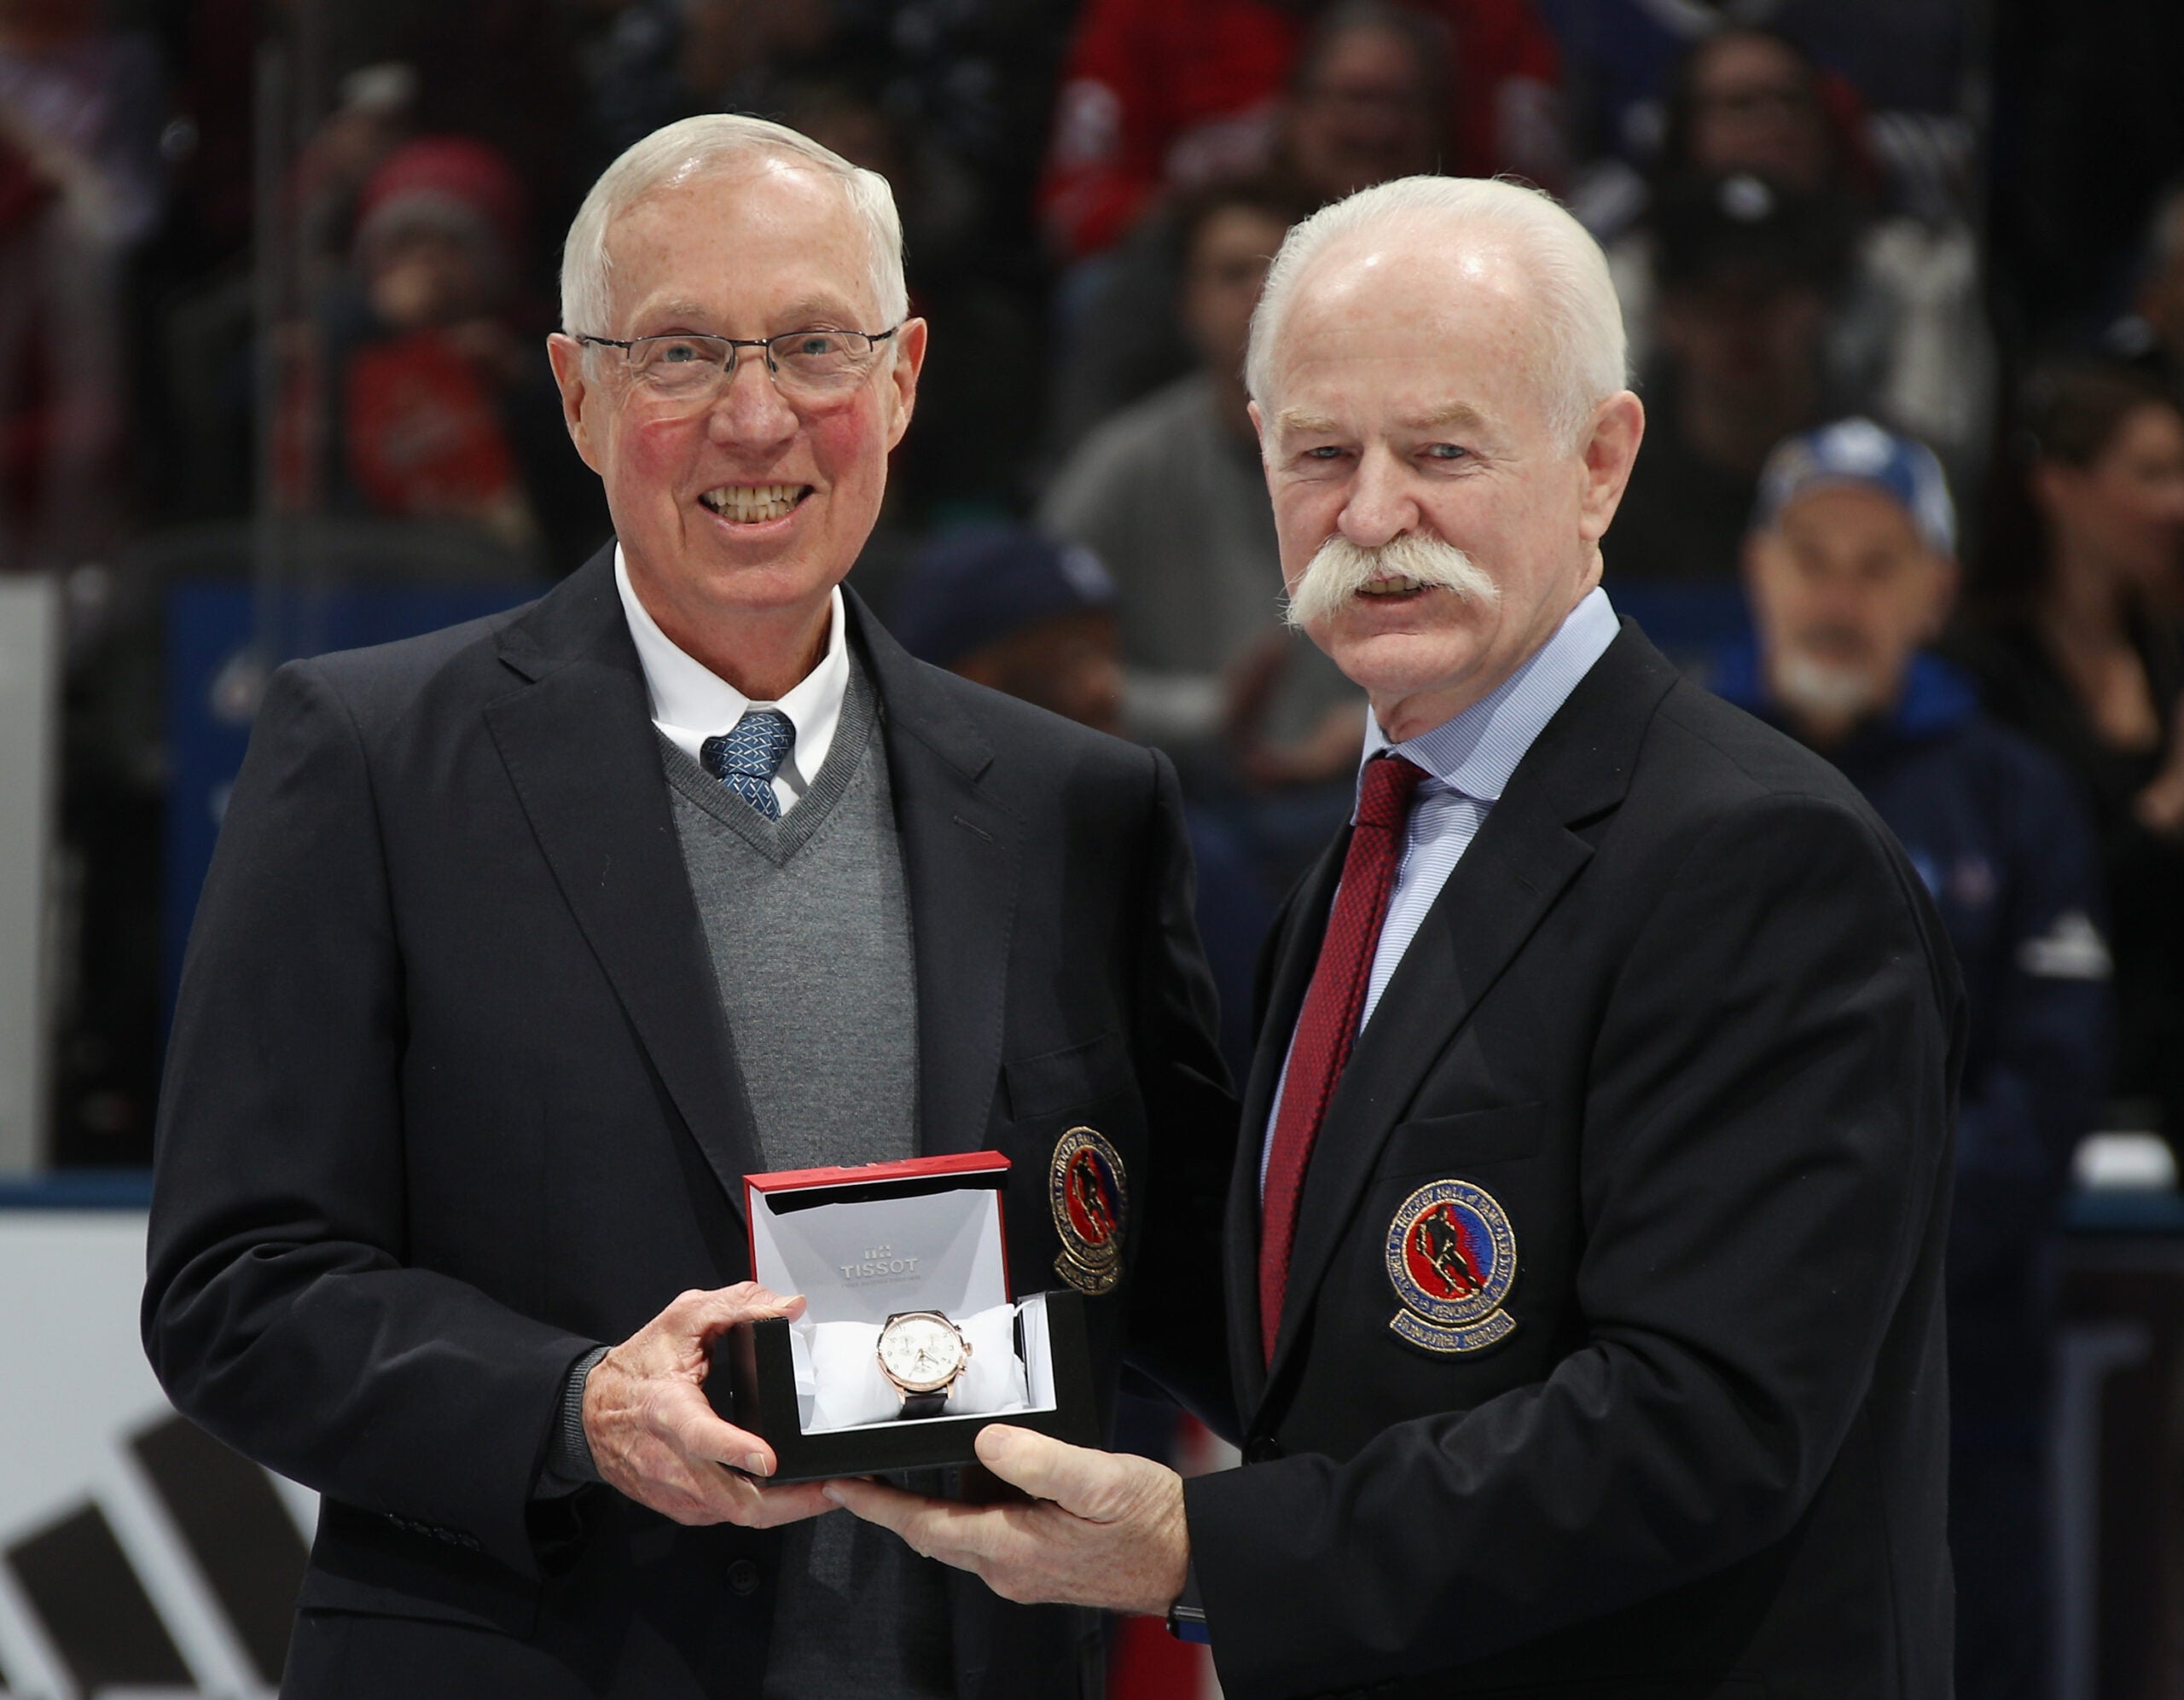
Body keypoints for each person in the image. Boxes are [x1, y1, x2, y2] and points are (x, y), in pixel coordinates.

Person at [141, 113, 1235, 1698]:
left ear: (906, 377)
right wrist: (576, 1404)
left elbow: (1194, 1276)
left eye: (812, 346)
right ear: (577, 394)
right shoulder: (375, 759)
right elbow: (233, 1290)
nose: (754, 414)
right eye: (677, 354)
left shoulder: (1078, 803)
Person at [832, 174, 1961, 1696]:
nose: (1373, 515)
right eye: (1322, 453)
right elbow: (1332, 1349)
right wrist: (890, 1331)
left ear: (1601, 463)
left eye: (1442, 450)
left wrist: (1199, 1546)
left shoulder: (1759, 857)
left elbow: (1703, 1425)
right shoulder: (1366, 858)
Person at [1722, 416, 2110, 1700]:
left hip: (1964, 1366)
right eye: (1811, 555)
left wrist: (1864, 1254)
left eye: (1879, 564)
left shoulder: (2015, 793)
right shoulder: (1674, 778)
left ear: (1938, 590)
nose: (1839, 594)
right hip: (1707, 1369)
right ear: (1755, 570)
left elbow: (2050, 1084)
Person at [1041, 177, 1362, 800]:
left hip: (1377, 774)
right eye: (1233, 273)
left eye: (1282, 274)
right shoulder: (1124, 465)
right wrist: (1207, 712)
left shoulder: (1397, 456)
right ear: (1187, 304)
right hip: (1179, 792)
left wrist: (1378, 722)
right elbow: (1046, 668)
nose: (1260, 296)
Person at [1952, 361, 2184, 1165]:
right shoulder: (1981, 674)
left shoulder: (2171, 654)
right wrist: (2164, 810)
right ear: (2060, 486)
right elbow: (2012, 894)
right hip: (2042, 1055)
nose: (2177, 502)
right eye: (2151, 473)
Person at [1606, 170, 1851, 583]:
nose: (1740, 323)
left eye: (1764, 295)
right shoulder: (1609, 482)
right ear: (1670, 313)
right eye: (1712, 298)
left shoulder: (1873, 472)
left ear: (1814, 306)